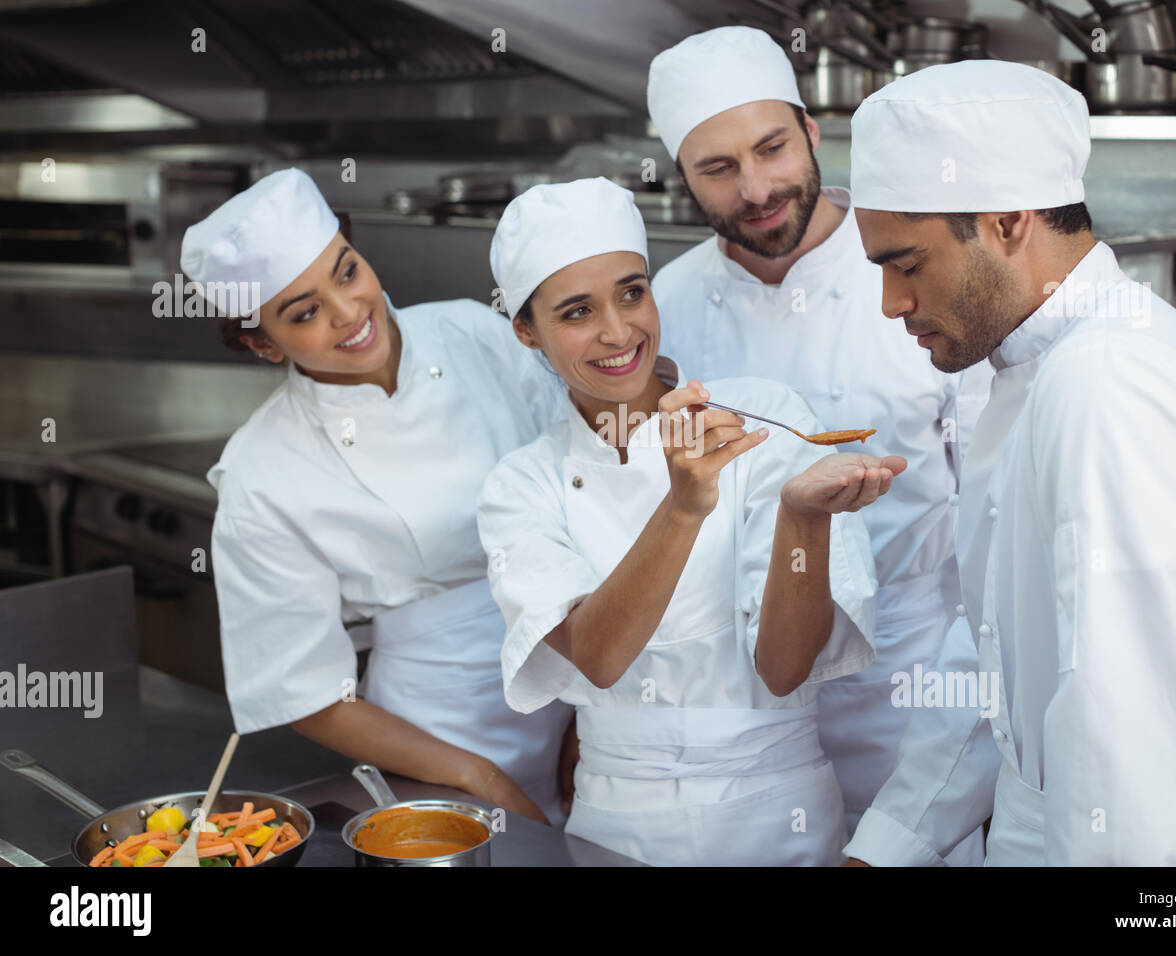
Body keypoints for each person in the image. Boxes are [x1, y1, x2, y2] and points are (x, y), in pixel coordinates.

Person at [843, 61, 1176, 865]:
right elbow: (1000, 664)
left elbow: (1133, 758)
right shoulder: (1034, 369)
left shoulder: (1107, 385)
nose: (891, 303)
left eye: (906, 264)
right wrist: (885, 846)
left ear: (1009, 223)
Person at [477, 177, 906, 865]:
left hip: (781, 817)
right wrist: (683, 507)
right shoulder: (522, 486)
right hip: (619, 828)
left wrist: (803, 521)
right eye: (577, 312)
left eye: (632, 292)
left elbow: (785, 670)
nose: (619, 332)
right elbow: (601, 655)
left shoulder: (765, 416)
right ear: (526, 329)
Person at [646, 25, 990, 863]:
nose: (757, 188)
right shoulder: (667, 304)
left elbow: (994, 513)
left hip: (913, 684)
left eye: (771, 148)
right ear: (679, 176)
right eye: (717, 168)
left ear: (811, 131)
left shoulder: (918, 269)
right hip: (743, 709)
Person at [183, 168, 573, 825]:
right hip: (438, 739)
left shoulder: (472, 331)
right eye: (303, 313)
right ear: (261, 343)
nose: (349, 313)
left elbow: (582, 484)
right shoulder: (263, 472)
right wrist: (475, 774)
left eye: (346, 270)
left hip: (583, 670)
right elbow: (303, 690)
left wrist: (596, 715)